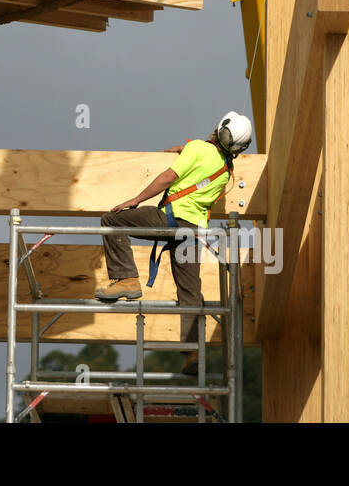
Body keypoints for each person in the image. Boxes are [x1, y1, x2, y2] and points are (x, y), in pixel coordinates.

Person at [94, 111, 253, 369]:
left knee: (111, 222)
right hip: (193, 233)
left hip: (170, 219)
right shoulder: (226, 170)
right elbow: (205, 164)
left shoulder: (199, 149)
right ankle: (194, 354)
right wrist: (186, 149)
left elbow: (169, 177)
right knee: (191, 293)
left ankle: (127, 279)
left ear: (221, 127)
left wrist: (137, 200)